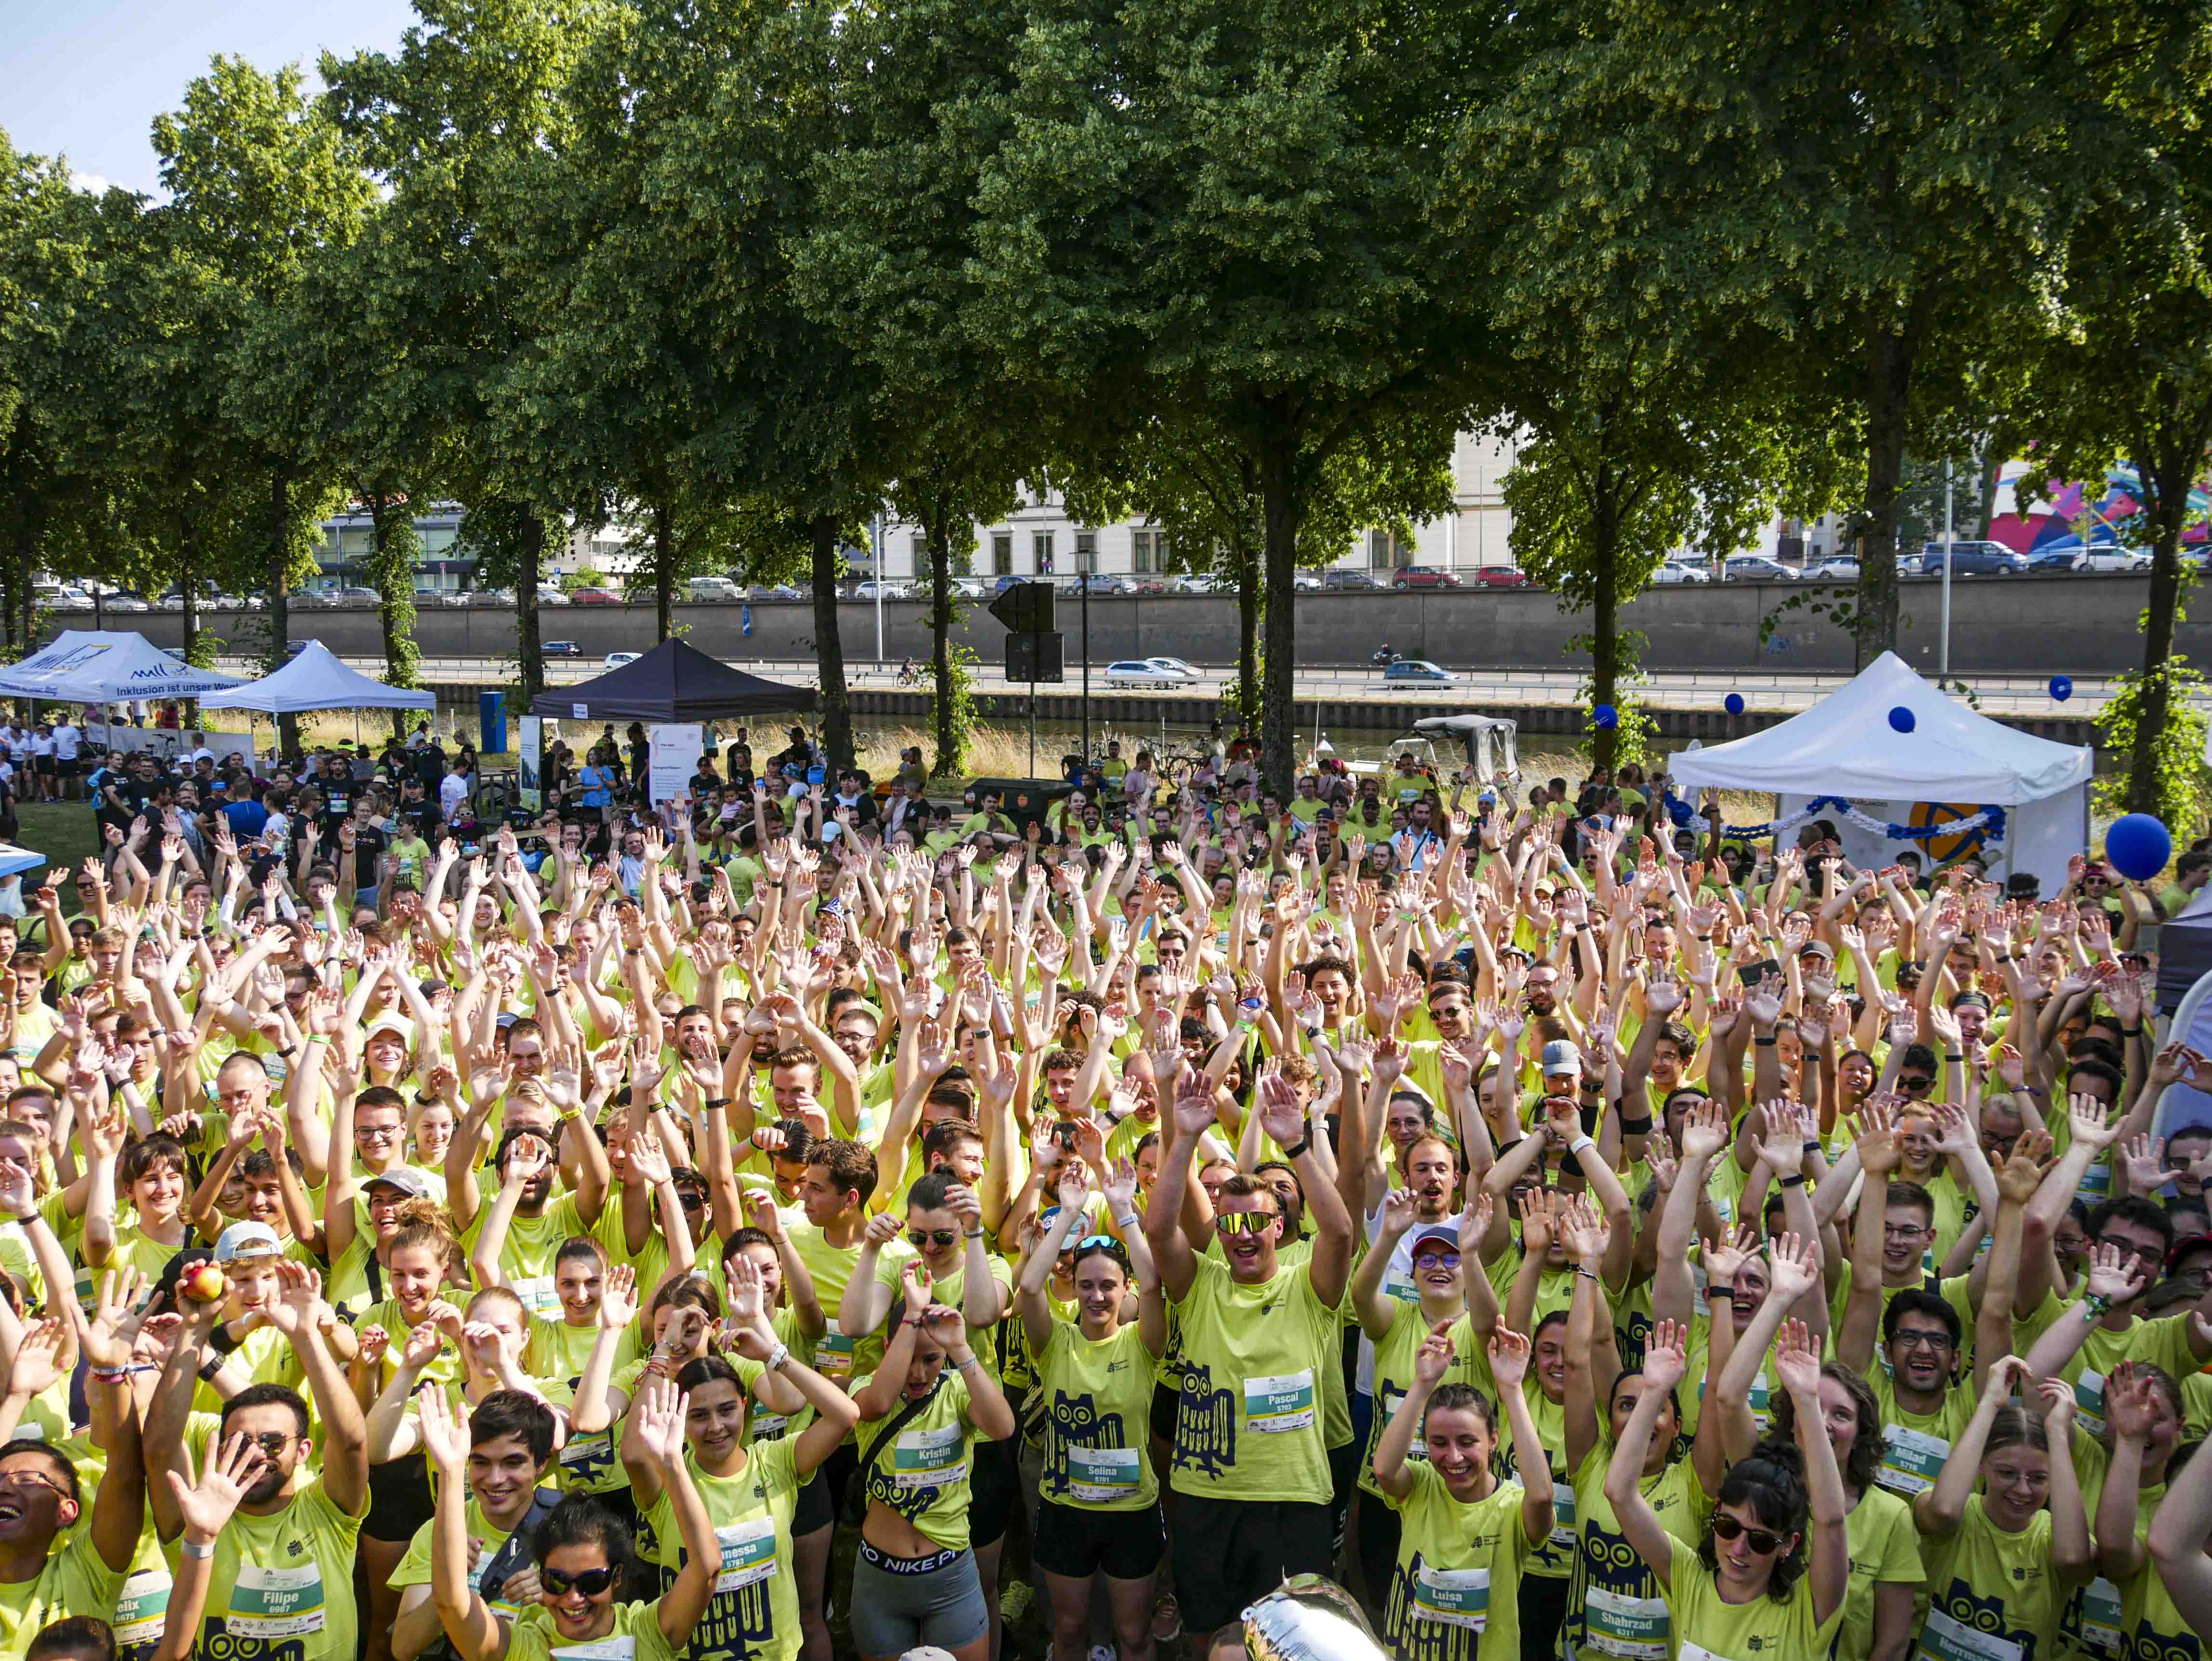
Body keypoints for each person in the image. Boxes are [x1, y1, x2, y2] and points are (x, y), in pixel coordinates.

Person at [1141, 1068, 1354, 1637]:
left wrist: (1297, 1144)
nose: (1243, 1233)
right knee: (1212, 1638)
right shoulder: (1202, 1282)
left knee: (1293, 1645)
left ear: (1277, 1225)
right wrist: (1183, 1136)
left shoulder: (1307, 1288)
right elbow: (1160, 1231)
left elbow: (1339, 1234)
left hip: (1293, 1500)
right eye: (1230, 1222)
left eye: (1256, 1222)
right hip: (1204, 1498)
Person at [419, 1376, 723, 1661]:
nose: (574, 1598)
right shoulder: (527, 1645)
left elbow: (706, 1568)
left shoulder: (646, 1631)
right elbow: (452, 1603)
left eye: (592, 1581)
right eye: (556, 1582)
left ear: (616, 1577)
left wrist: (672, 1465)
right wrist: (450, 1472)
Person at [1605, 1318, 1850, 1658]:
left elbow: (1831, 1520)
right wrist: (1652, 1393)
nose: (1739, 1549)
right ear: (1716, 1513)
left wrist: (1807, 1401)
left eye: (1761, 1540)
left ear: (1788, 1545)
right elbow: (1619, 1493)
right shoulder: (1689, 1579)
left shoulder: (1807, 1612)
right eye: (1728, 1526)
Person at [1017, 1166, 1167, 1661]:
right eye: (1086, 1285)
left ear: (1124, 1288)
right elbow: (1030, 1289)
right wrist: (1067, 1215)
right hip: (1065, 1509)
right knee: (1069, 1631)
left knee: (1132, 1635)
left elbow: (1154, 1287)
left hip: (1131, 1512)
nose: (1096, 1296)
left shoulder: (1142, 1342)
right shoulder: (1054, 1341)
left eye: (1108, 1285)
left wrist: (1124, 1211)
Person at [846, 1263, 1018, 1661]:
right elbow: (879, 1404)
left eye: (932, 1359)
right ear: (890, 1349)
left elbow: (1003, 1426)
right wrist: (911, 1315)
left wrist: (960, 1348)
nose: (920, 1373)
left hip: (951, 1575)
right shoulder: (864, 1390)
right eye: (910, 1359)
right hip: (881, 1579)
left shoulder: (957, 1390)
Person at [1371, 1325, 1552, 1659]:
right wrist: (1423, 1385)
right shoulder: (1421, 1485)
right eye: (1439, 1443)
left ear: (1493, 1442)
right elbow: (1383, 1469)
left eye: (1468, 1442)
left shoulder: (1512, 1507)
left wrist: (1512, 1389)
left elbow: (1541, 1497)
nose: (1453, 1457)